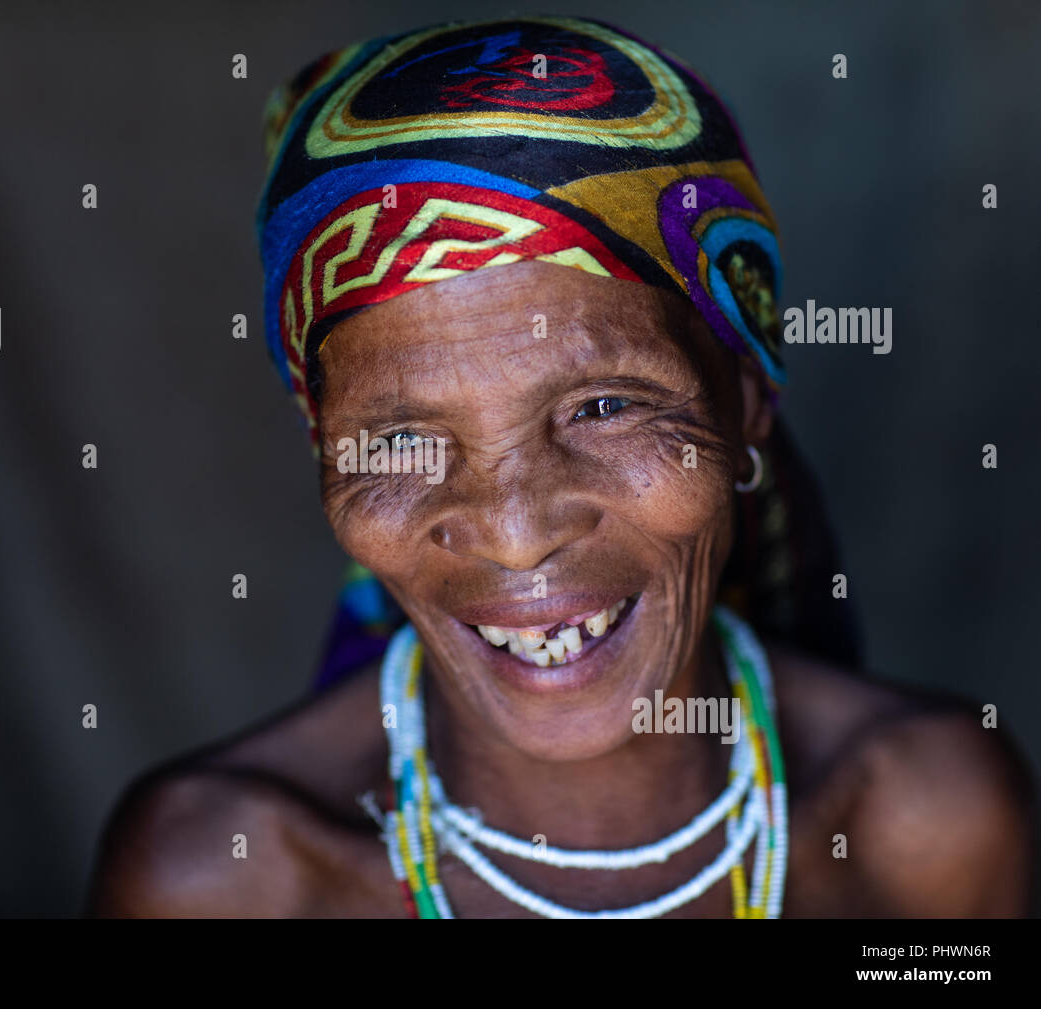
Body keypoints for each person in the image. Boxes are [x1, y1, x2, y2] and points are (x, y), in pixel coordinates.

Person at [88, 16, 1033, 917]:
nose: (515, 530)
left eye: (604, 406)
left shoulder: (925, 825)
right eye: (401, 442)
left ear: (744, 397)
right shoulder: (222, 880)